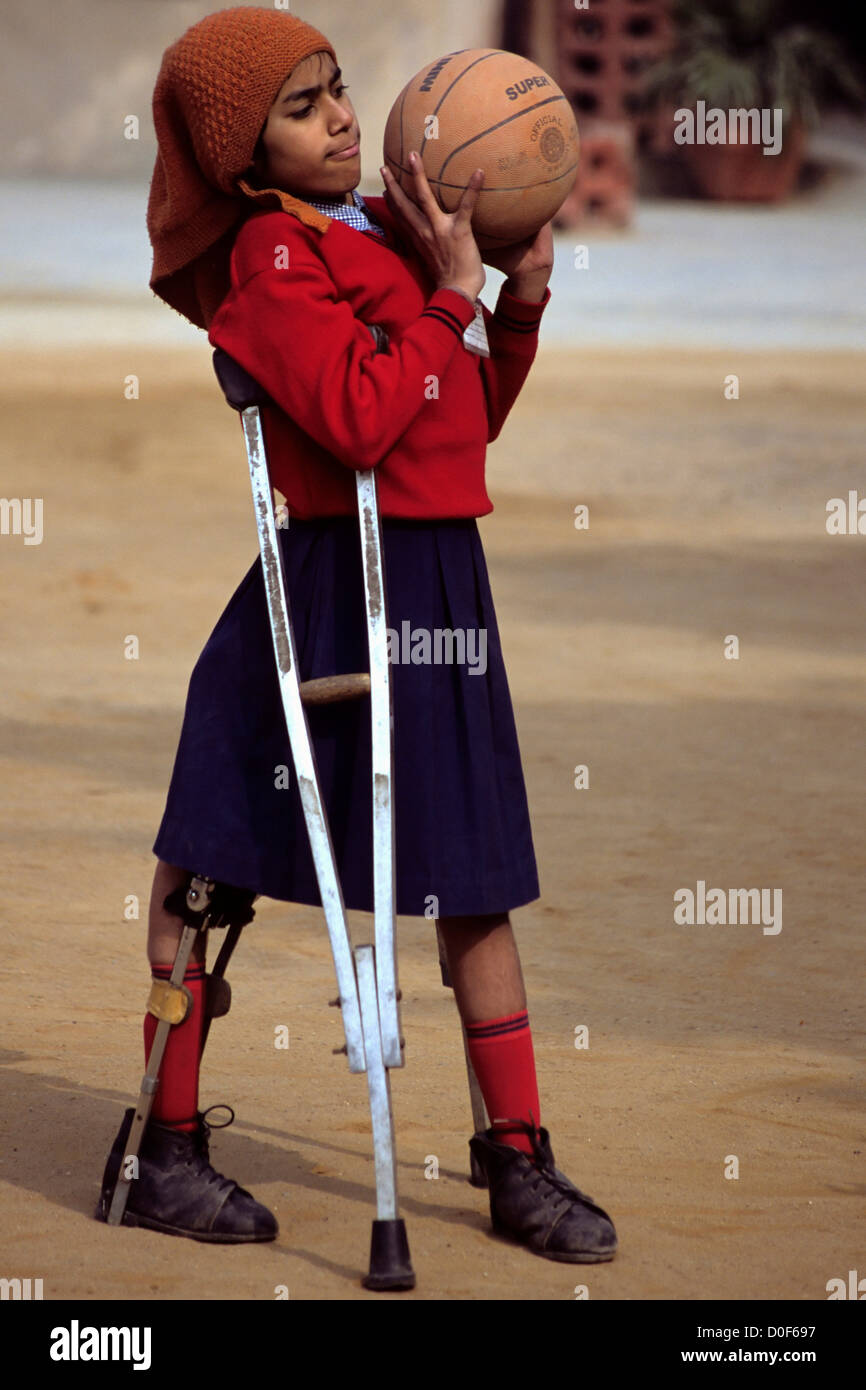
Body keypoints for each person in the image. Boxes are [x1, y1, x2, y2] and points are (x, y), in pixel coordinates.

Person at [97, 5, 617, 1266]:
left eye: (336, 89)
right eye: (302, 105)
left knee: (474, 878)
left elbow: (453, 424)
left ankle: (515, 1159)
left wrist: (515, 311)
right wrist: (449, 300)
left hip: (439, 586)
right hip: (330, 589)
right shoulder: (276, 264)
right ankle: (165, 1148)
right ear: (243, 157)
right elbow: (364, 418)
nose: (341, 117)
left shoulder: (379, 235)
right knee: (205, 858)